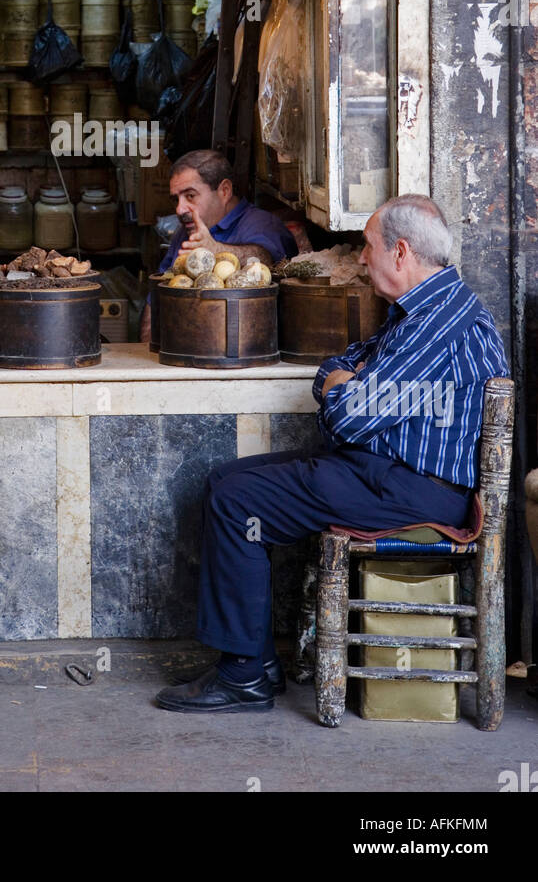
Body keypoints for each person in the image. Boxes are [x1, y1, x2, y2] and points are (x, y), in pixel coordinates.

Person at [154, 194, 509, 714]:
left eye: (367, 248)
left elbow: (347, 415)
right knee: (224, 481)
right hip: (383, 472)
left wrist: (348, 389)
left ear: (401, 252)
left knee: (238, 501)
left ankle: (243, 676)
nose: (362, 259)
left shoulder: (441, 322)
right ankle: (255, 659)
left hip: (416, 490)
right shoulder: (421, 307)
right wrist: (347, 383)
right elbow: (340, 365)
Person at [140, 150, 298, 340]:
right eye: (176, 199)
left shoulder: (262, 224)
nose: (179, 209)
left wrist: (215, 249)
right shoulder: (185, 233)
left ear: (224, 191)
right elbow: (157, 295)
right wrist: (149, 347)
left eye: (190, 196)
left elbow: (267, 259)